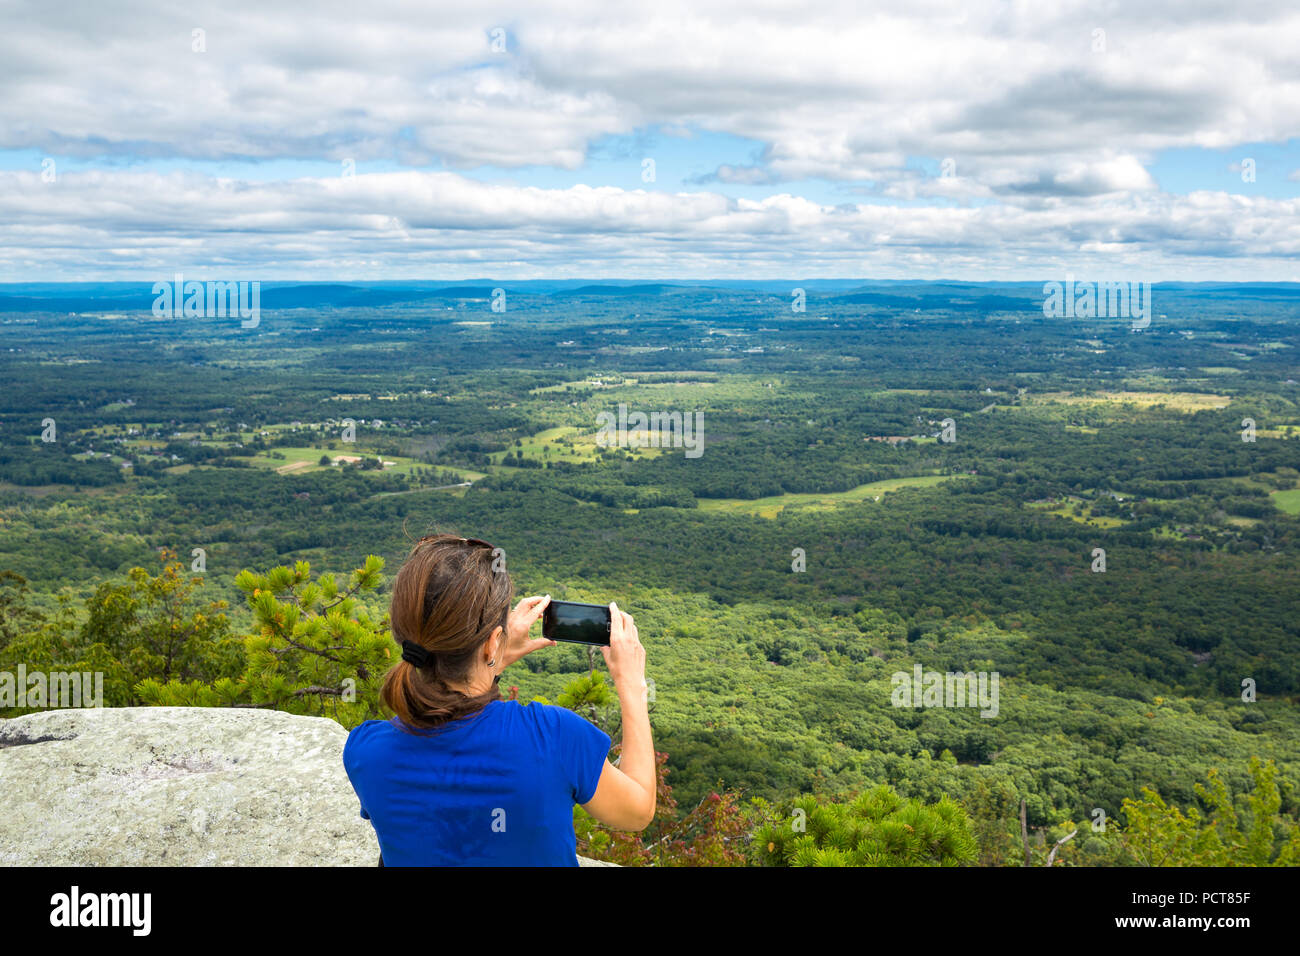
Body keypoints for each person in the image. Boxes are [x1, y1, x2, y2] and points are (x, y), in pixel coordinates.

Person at [343, 534, 655, 865]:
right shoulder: (554, 736)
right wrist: (631, 683)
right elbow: (637, 811)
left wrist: (490, 659)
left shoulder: (365, 751)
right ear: (493, 641)